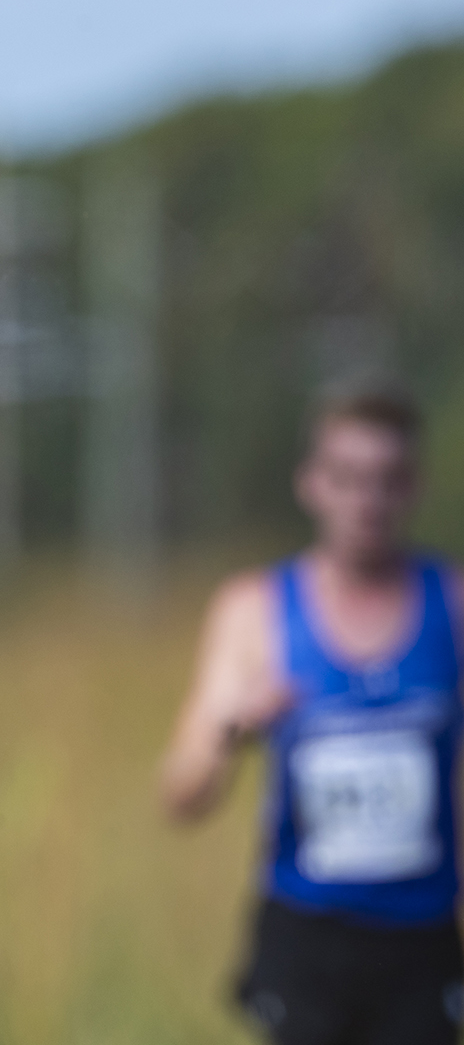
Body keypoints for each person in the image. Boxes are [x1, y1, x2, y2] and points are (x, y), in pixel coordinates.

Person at [161, 385, 463, 1045]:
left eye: (387, 480)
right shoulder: (256, 613)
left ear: (414, 488)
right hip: (307, 940)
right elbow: (180, 797)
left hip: (423, 942)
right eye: (348, 479)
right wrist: (232, 728)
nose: (367, 502)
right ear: (312, 485)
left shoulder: (453, 607)